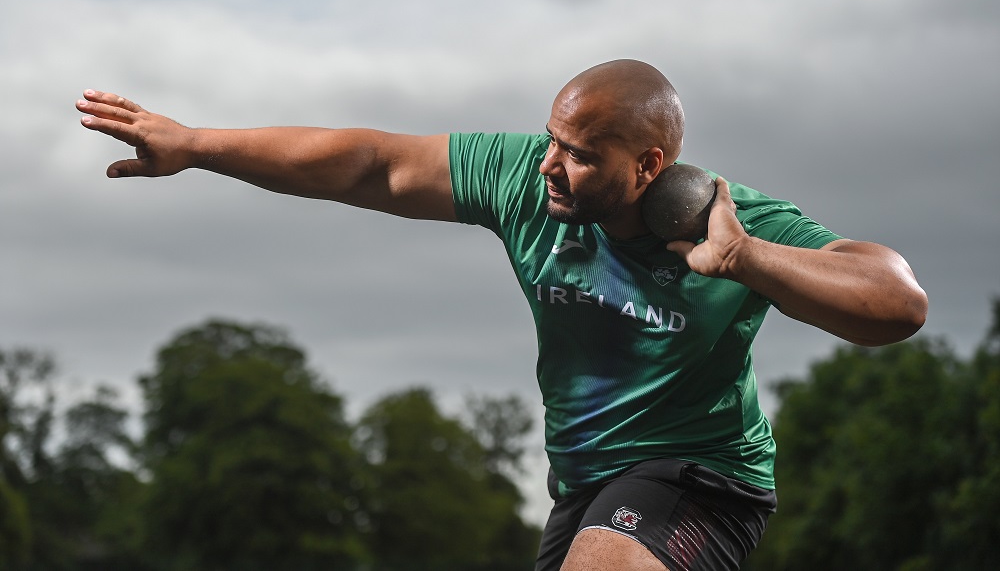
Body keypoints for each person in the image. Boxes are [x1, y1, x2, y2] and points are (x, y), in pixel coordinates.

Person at [76, 59, 927, 571]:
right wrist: (196, 146)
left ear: (649, 166)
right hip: (586, 485)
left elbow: (897, 302)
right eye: (552, 140)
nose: (552, 167)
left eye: (583, 156)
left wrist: (744, 261)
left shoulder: (731, 224)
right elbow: (372, 164)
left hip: (701, 476)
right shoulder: (527, 178)